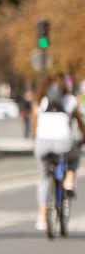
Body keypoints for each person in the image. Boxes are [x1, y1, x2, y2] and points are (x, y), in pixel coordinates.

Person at [30, 78, 83, 232]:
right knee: (74, 157)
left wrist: (35, 138)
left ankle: (42, 215)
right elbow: (79, 122)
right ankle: (69, 179)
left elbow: (34, 124)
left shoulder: (41, 101)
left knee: (43, 177)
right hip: (63, 142)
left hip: (42, 143)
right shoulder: (70, 100)